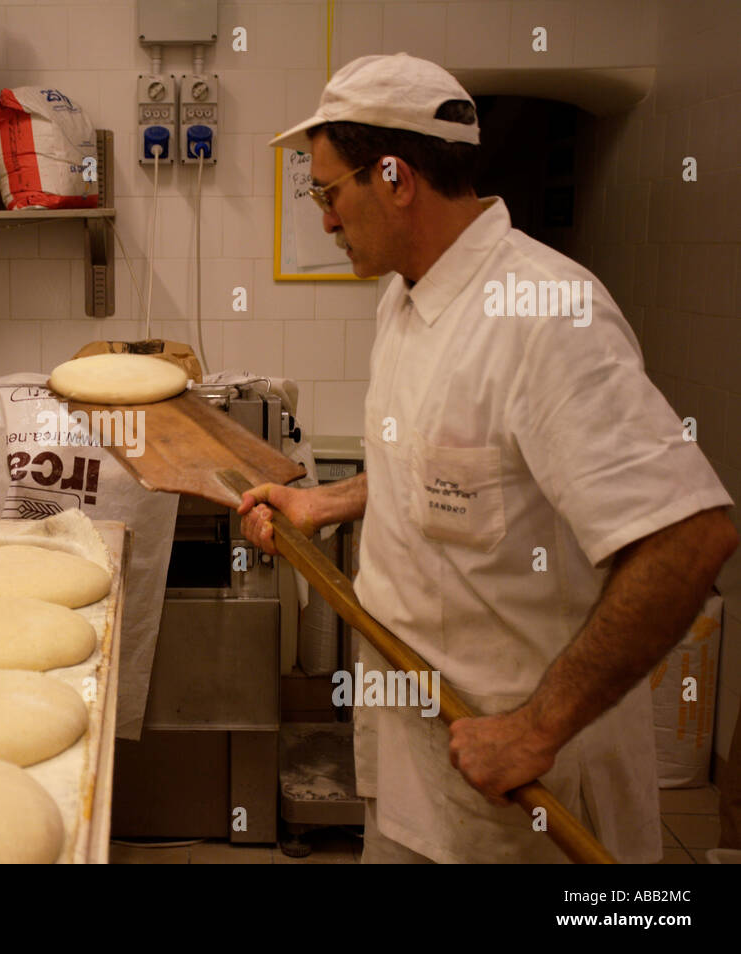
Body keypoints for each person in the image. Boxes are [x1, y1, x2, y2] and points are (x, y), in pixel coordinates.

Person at [240, 54, 737, 863]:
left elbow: (689, 538)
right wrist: (326, 504)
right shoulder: (404, 297)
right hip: (413, 759)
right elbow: (458, 468)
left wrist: (535, 731)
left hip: (518, 795)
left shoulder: (548, 318)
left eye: (327, 192)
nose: (325, 220)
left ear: (395, 176)